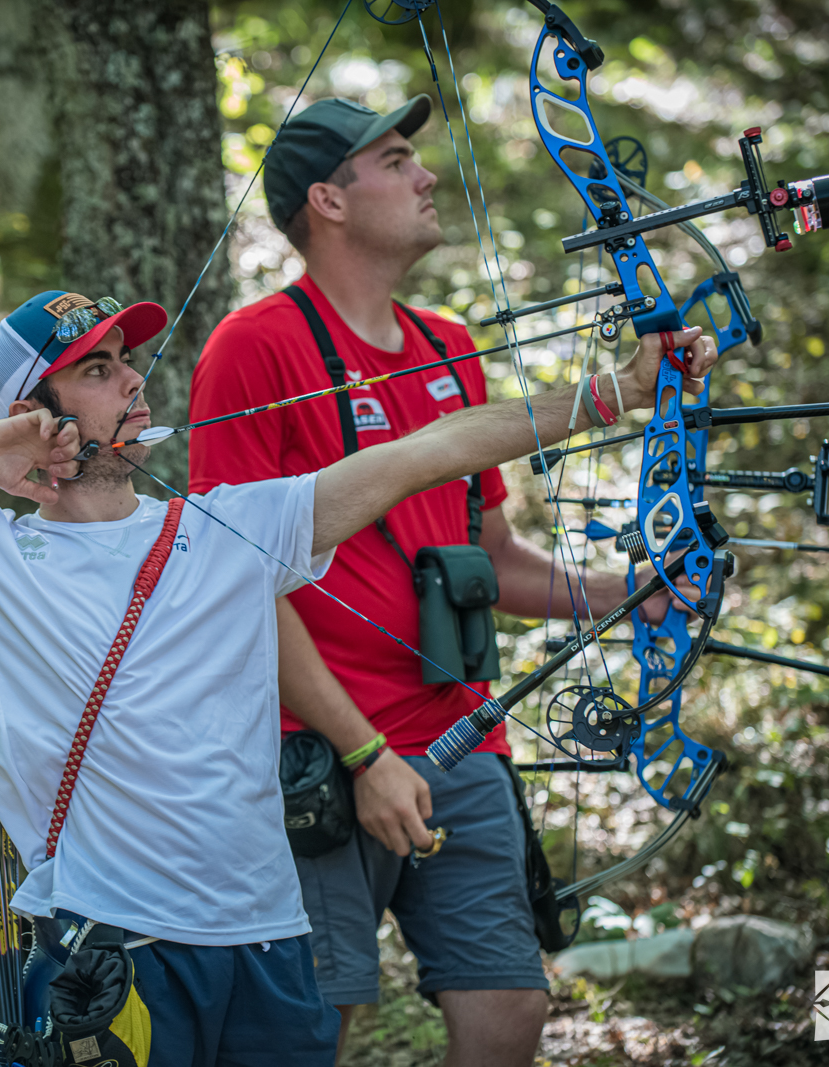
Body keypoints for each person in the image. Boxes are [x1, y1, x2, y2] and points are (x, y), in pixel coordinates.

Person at [0, 285, 717, 1066]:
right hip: (112, 949)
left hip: (268, 941)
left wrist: (617, 393)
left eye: (128, 360)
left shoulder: (229, 525)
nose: (134, 381)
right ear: (30, 415)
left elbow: (434, 449)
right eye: (96, 368)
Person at [187, 96, 676, 1064]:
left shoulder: (450, 344)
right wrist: (362, 753)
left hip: (458, 738)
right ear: (327, 199)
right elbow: (236, 579)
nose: (426, 177)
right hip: (315, 754)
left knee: (508, 1010)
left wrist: (633, 591)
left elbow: (490, 558)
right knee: (310, 1023)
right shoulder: (256, 347)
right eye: (397, 160)